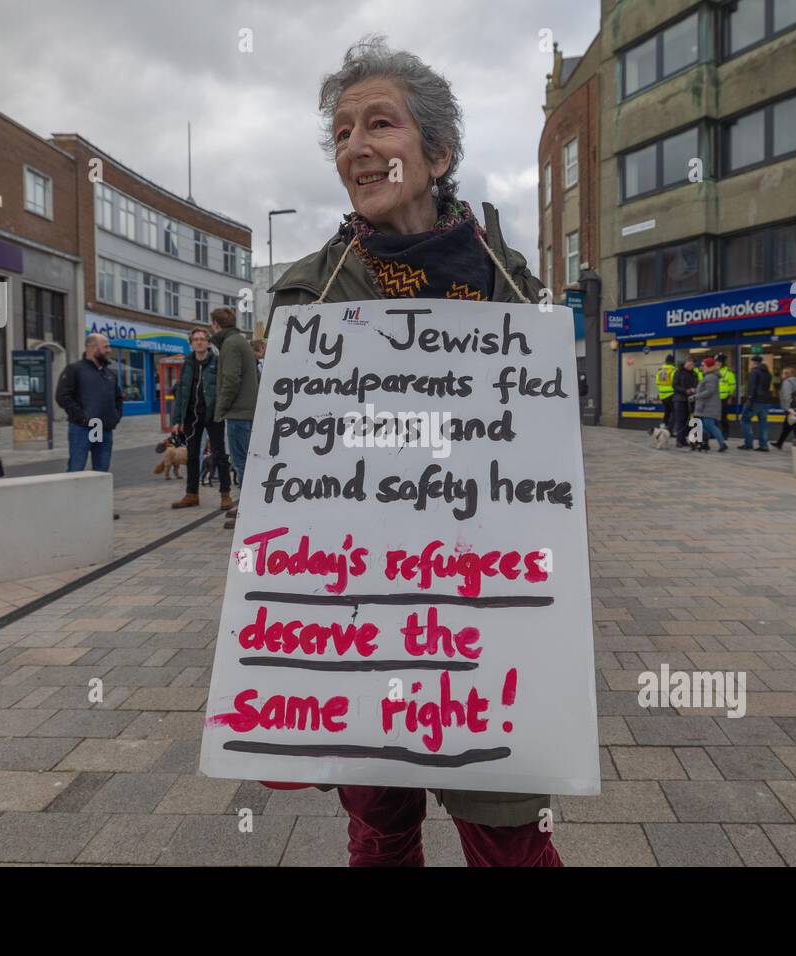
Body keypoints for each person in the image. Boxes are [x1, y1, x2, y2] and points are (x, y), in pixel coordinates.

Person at [264, 36, 559, 868]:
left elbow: (541, 456)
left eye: (379, 124)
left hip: (482, 606)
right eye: (341, 132)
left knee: (509, 837)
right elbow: (288, 473)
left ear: (438, 152)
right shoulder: (306, 291)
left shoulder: (511, 284)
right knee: (381, 830)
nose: (355, 146)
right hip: (359, 606)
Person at [56, 333, 123, 520]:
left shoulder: (110, 373)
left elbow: (118, 398)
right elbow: (63, 396)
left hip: (104, 428)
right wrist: (82, 417)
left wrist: (115, 417)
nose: (109, 350)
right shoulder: (74, 370)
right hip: (82, 428)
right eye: (106, 347)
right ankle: (72, 510)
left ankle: (100, 509)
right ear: (92, 348)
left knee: (101, 471)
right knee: (76, 468)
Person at [168, 328, 233, 512]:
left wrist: (221, 409)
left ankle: (225, 493)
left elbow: (223, 387)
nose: (199, 342)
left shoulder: (216, 362)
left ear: (208, 343)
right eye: (195, 339)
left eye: (202, 339)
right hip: (191, 416)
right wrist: (177, 419)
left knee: (219, 454)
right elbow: (181, 392)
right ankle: (191, 494)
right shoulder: (187, 363)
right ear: (191, 343)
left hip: (213, 415)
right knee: (192, 454)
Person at [210, 307, 258, 530]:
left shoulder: (230, 344)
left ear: (216, 324)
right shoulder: (239, 341)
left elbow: (230, 379)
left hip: (239, 412)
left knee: (241, 463)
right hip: (245, 410)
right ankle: (248, 505)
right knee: (244, 462)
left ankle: (249, 508)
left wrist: (220, 409)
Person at [772, 366, 796, 451]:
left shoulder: (787, 382)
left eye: (783, 373)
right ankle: (779, 443)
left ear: (787, 374)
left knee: (794, 426)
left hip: (792, 409)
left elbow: (787, 396)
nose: (781, 375)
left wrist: (788, 409)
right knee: (787, 426)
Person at [692, 357, 727, 452]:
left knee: (710, 425)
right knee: (705, 426)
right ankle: (705, 444)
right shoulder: (708, 376)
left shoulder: (711, 377)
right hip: (706, 405)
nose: (701, 367)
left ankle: (722, 444)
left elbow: (709, 391)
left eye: (703, 365)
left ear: (709, 366)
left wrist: (696, 396)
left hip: (709, 406)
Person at [739, 355, 772, 451]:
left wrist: (749, 400)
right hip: (766, 401)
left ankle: (748, 443)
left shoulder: (754, 372)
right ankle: (763, 445)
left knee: (745, 419)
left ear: (753, 362)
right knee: (763, 422)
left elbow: (752, 388)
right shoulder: (768, 373)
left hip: (755, 401)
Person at [671, 356, 697, 448]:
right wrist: (686, 390)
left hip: (690, 400)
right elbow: (675, 385)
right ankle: (679, 440)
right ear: (685, 363)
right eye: (689, 363)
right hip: (679, 399)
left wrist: (694, 389)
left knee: (687, 420)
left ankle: (683, 440)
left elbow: (696, 383)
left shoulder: (694, 374)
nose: (691, 365)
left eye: (692, 364)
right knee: (680, 420)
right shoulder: (678, 372)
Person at [715, 353, 736, 439]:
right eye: (716, 362)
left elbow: (732, 385)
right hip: (714, 398)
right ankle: (714, 433)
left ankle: (725, 434)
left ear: (722, 363)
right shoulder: (714, 371)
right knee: (713, 416)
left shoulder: (728, 373)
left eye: (719, 362)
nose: (717, 364)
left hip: (723, 398)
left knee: (723, 417)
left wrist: (729, 396)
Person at [655, 352, 676, 432]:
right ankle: (669, 430)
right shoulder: (673, 371)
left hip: (662, 396)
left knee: (667, 413)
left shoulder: (660, 372)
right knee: (674, 413)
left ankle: (662, 427)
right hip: (671, 394)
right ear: (672, 362)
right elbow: (675, 383)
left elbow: (657, 383)